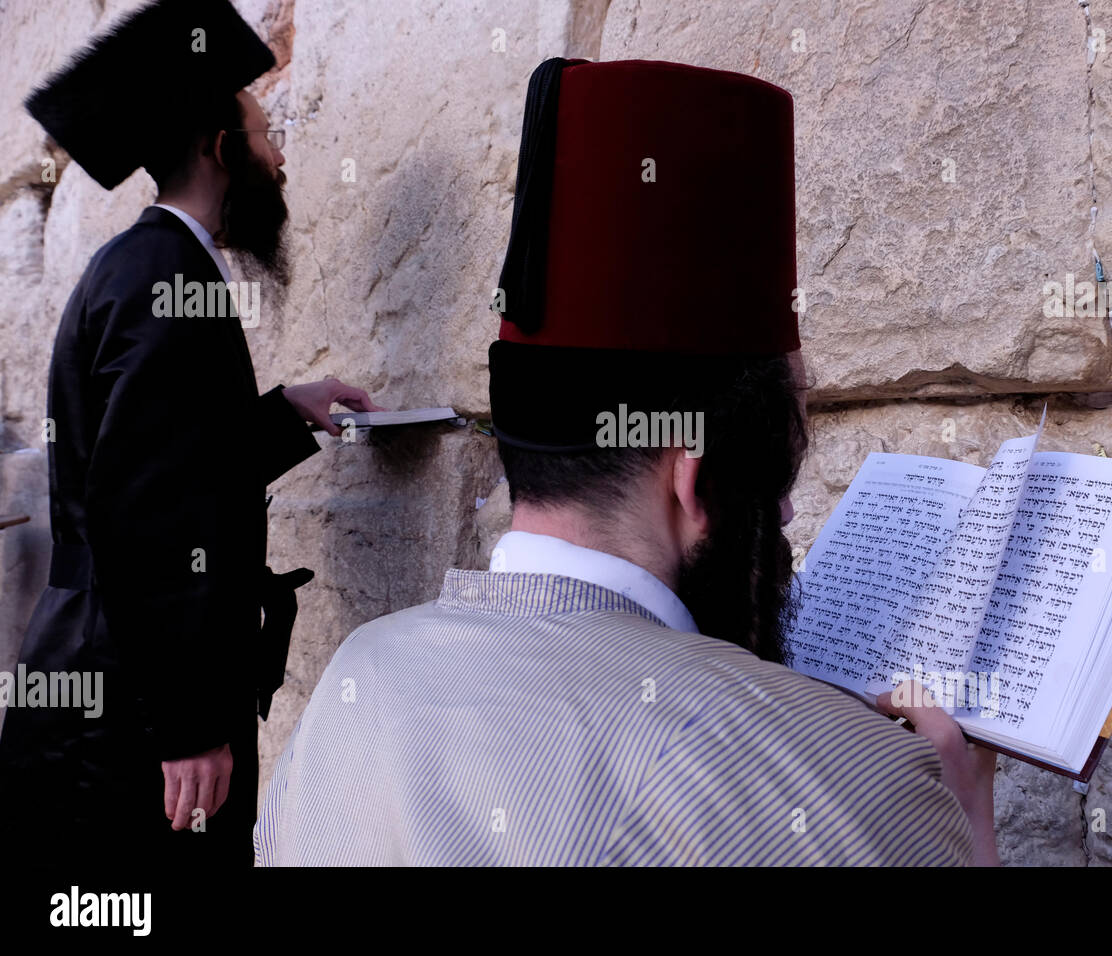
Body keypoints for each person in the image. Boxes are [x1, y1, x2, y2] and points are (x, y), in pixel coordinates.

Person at [255, 58, 997, 865]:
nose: (783, 514)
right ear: (694, 478)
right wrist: (957, 824)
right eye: (776, 479)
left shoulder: (354, 679)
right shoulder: (862, 780)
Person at [0, 0, 380, 868]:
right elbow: (147, 518)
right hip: (130, 727)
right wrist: (188, 729)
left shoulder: (142, 267)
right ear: (220, 149)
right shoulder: (165, 280)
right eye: (265, 134)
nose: (280, 159)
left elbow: (167, 467)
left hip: (114, 693)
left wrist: (285, 410)